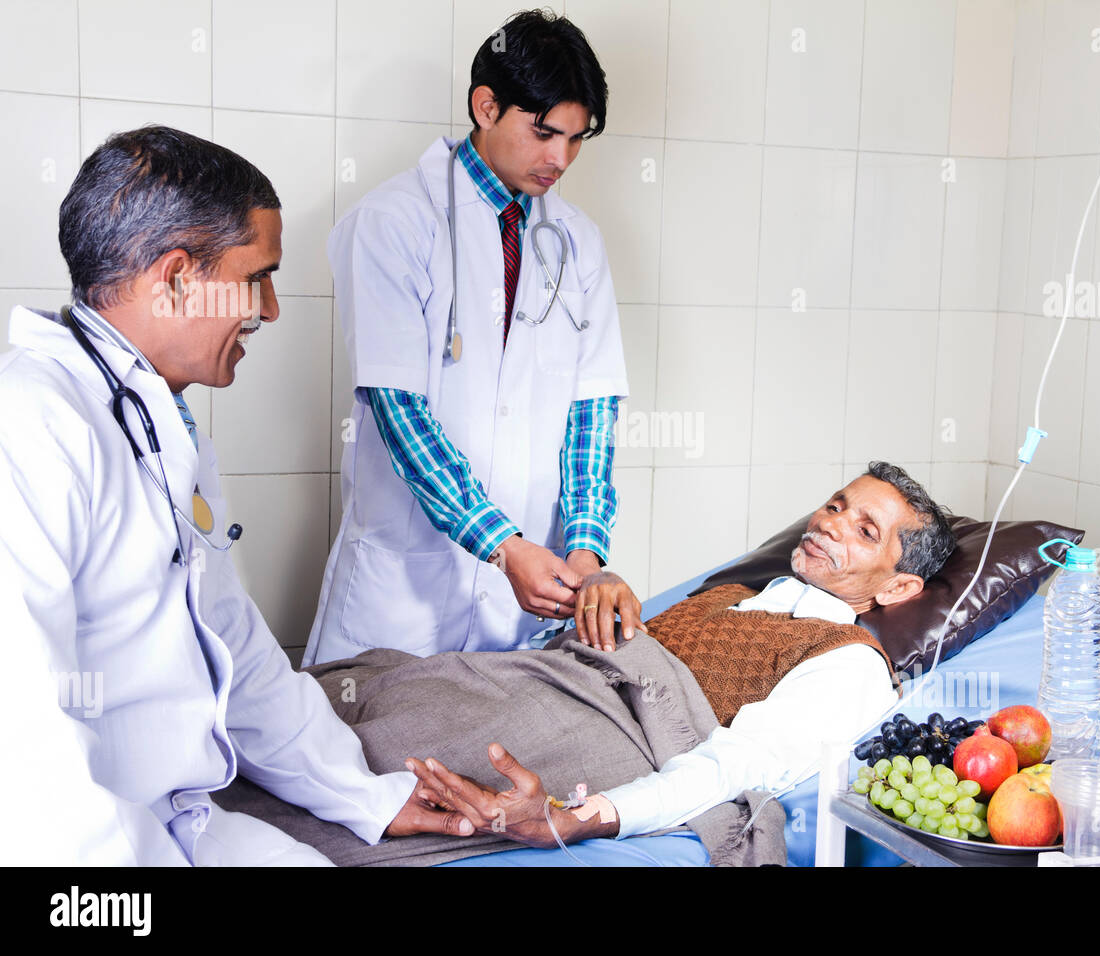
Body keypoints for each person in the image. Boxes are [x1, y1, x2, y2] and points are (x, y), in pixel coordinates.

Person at [0, 126, 477, 866]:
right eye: (257, 278)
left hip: (178, 820)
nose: (271, 310)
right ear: (179, 279)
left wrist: (365, 795)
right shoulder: (30, 423)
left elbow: (233, 647)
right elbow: (21, 736)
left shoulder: (162, 428)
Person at [220, 463, 956, 864]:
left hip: (609, 733)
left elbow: (738, 767)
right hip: (539, 676)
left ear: (897, 587)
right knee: (341, 694)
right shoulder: (732, 593)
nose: (831, 525)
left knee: (373, 754)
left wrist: (582, 818)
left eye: (865, 531)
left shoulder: (850, 665)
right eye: (835, 505)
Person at [305, 9, 637, 666]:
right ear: (486, 106)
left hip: (530, 602)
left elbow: (592, 412)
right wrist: (503, 546)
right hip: (404, 594)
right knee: (373, 760)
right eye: (544, 133)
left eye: (576, 139)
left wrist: (586, 554)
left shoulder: (580, 243)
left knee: (500, 763)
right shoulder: (393, 223)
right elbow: (400, 415)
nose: (561, 159)